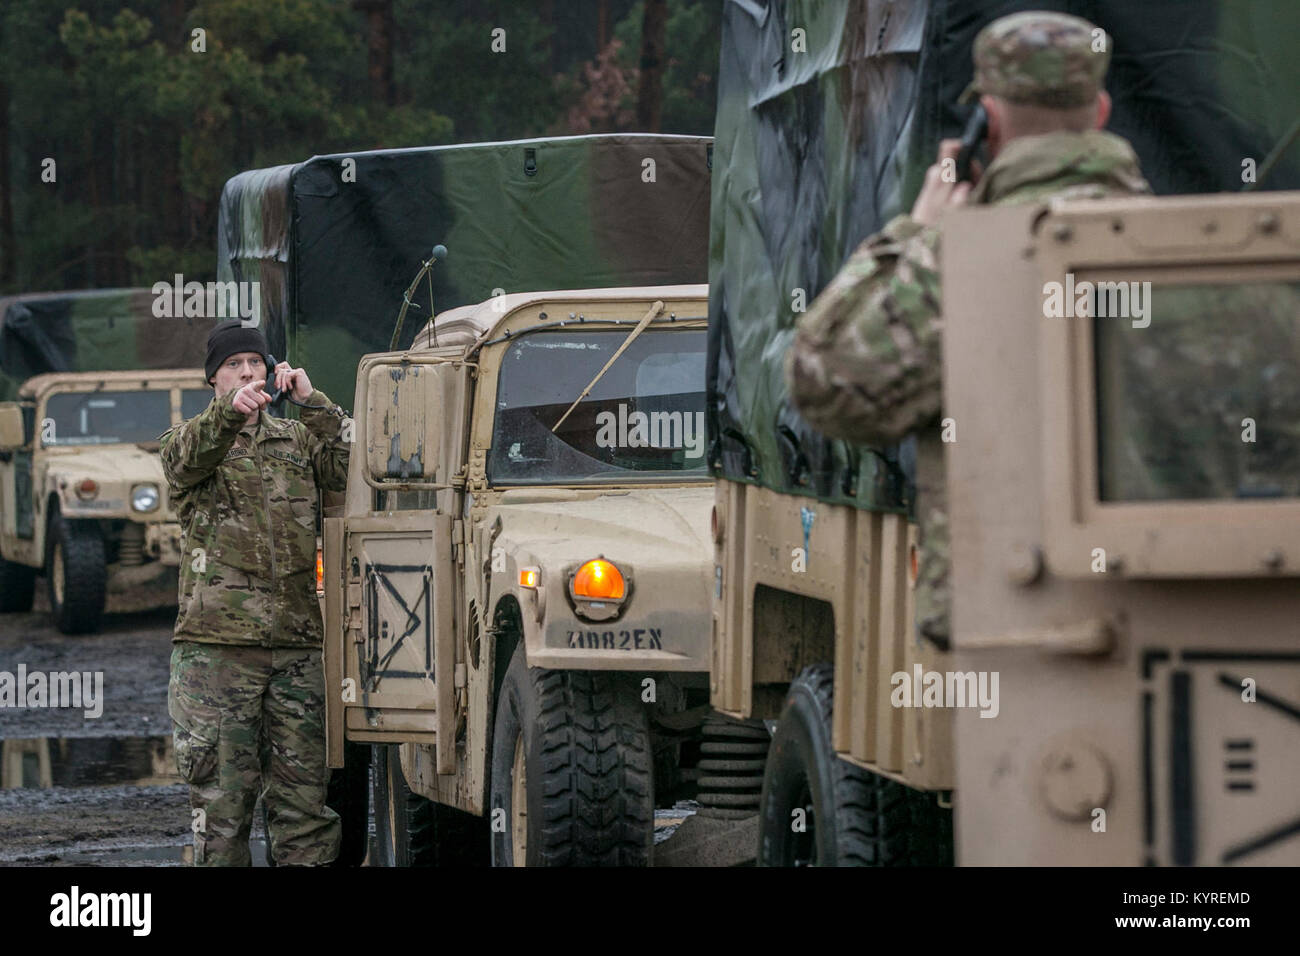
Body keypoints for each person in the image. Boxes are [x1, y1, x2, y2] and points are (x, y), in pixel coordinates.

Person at [786, 11, 1151, 645]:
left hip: (1018, 628)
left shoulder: (955, 261)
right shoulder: (1197, 243)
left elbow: (824, 383)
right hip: (1202, 619)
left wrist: (915, 231)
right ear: (1099, 113)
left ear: (991, 123)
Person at [160, 319, 350, 865]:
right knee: (222, 814)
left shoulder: (297, 440)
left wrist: (314, 403)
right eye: (233, 366)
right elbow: (185, 460)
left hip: (293, 650)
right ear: (213, 380)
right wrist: (229, 414)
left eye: (256, 364)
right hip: (217, 655)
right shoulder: (191, 441)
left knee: (304, 810)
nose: (247, 373)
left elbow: (349, 466)